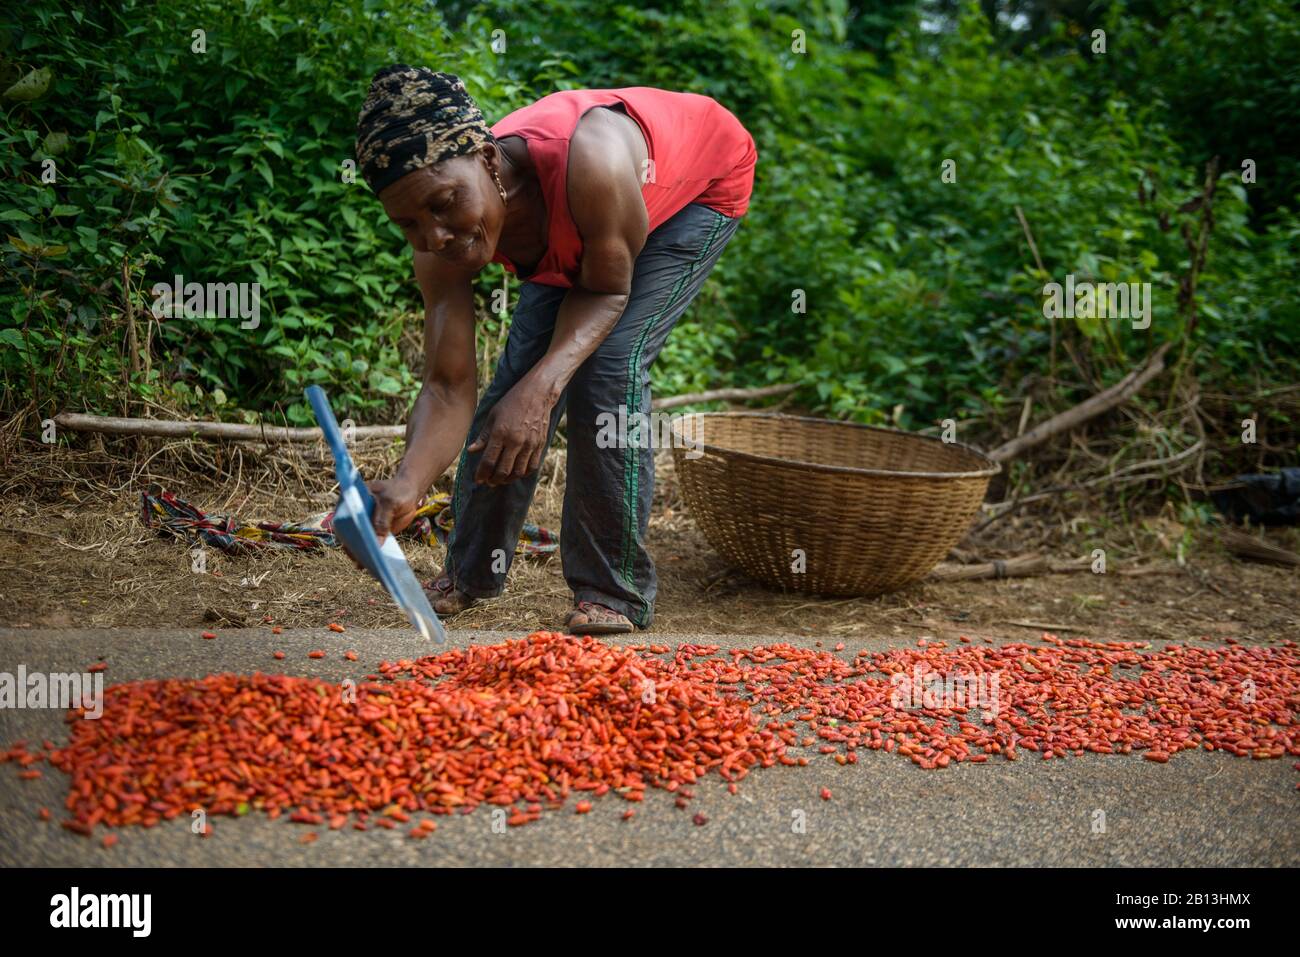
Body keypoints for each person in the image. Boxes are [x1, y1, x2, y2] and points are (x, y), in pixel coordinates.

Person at [353, 66, 756, 634]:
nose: (435, 236)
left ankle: (612, 591)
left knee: (606, 370)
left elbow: (608, 290)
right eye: (409, 224)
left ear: (490, 163)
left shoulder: (591, 161)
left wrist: (541, 393)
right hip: (582, 227)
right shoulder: (439, 240)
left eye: (445, 204)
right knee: (514, 388)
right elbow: (447, 387)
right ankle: (468, 573)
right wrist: (406, 487)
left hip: (692, 191)